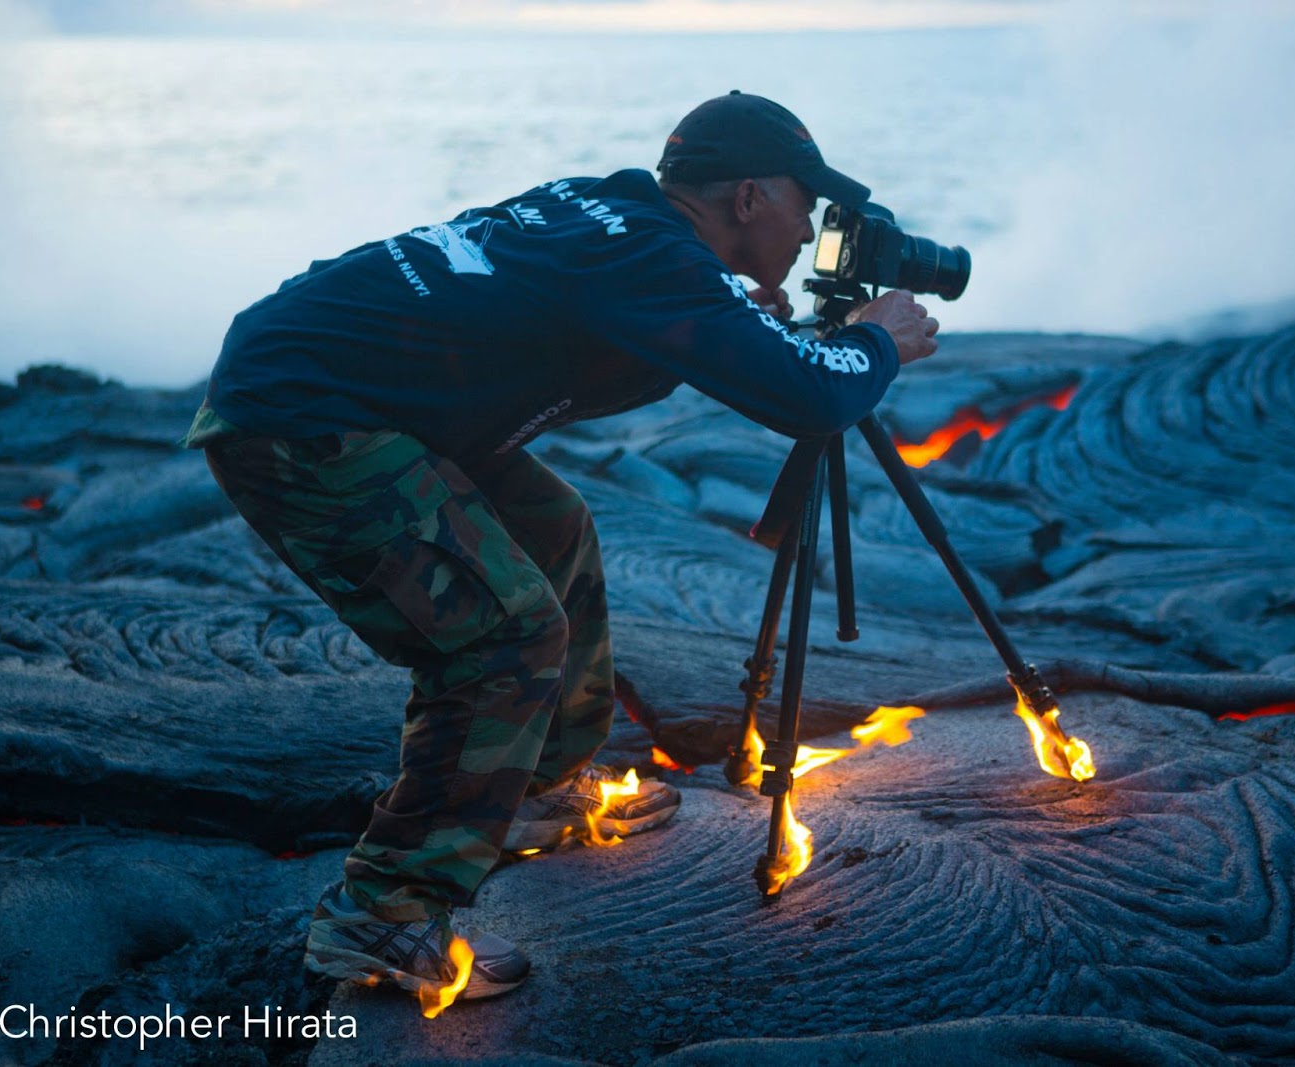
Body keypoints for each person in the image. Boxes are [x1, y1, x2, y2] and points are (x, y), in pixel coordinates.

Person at [183, 90, 939, 1002]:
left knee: (555, 530)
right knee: (503, 636)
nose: (811, 222)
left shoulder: (613, 211)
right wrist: (879, 344)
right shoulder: (651, 259)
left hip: (352, 388)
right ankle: (380, 913)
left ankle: (534, 790)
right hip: (303, 416)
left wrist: (739, 313)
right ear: (748, 198)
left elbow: (654, 313)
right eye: (803, 201)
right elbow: (812, 397)